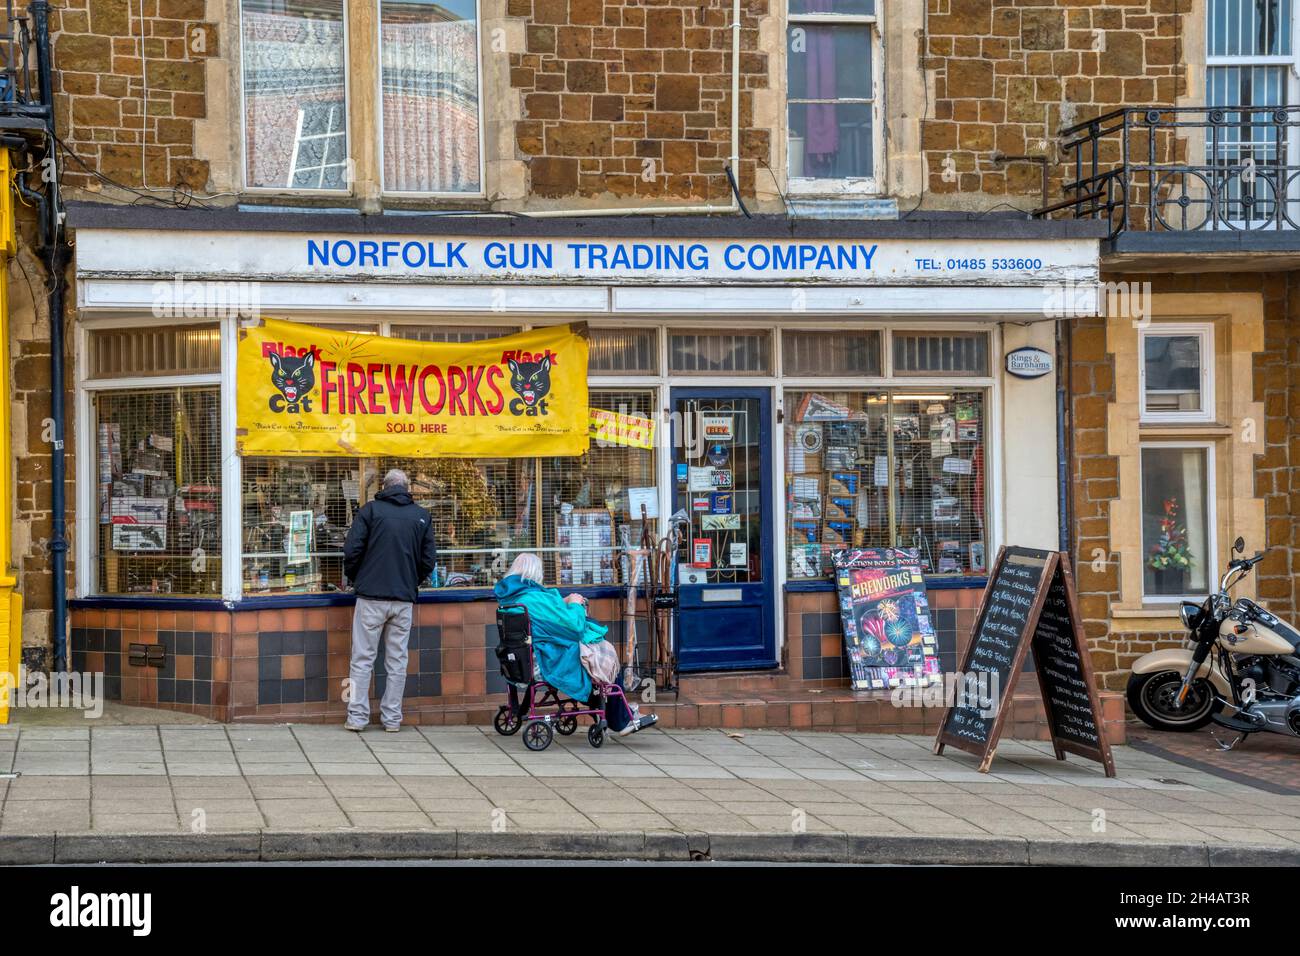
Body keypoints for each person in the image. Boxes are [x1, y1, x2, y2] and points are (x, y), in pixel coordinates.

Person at [493, 553, 656, 736]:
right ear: (535, 573)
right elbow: (574, 627)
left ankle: (621, 712)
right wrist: (576, 604)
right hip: (549, 658)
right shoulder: (534, 597)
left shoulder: (511, 598)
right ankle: (621, 720)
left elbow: (545, 617)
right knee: (605, 659)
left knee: (598, 659)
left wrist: (563, 602)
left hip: (525, 658)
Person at [342, 468, 437, 732]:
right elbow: (429, 560)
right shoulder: (421, 516)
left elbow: (352, 550)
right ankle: (392, 719)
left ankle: (357, 717)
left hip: (371, 596)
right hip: (403, 599)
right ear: (407, 487)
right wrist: (411, 580)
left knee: (362, 658)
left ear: (384, 486)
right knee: (397, 661)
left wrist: (356, 577)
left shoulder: (370, 511)